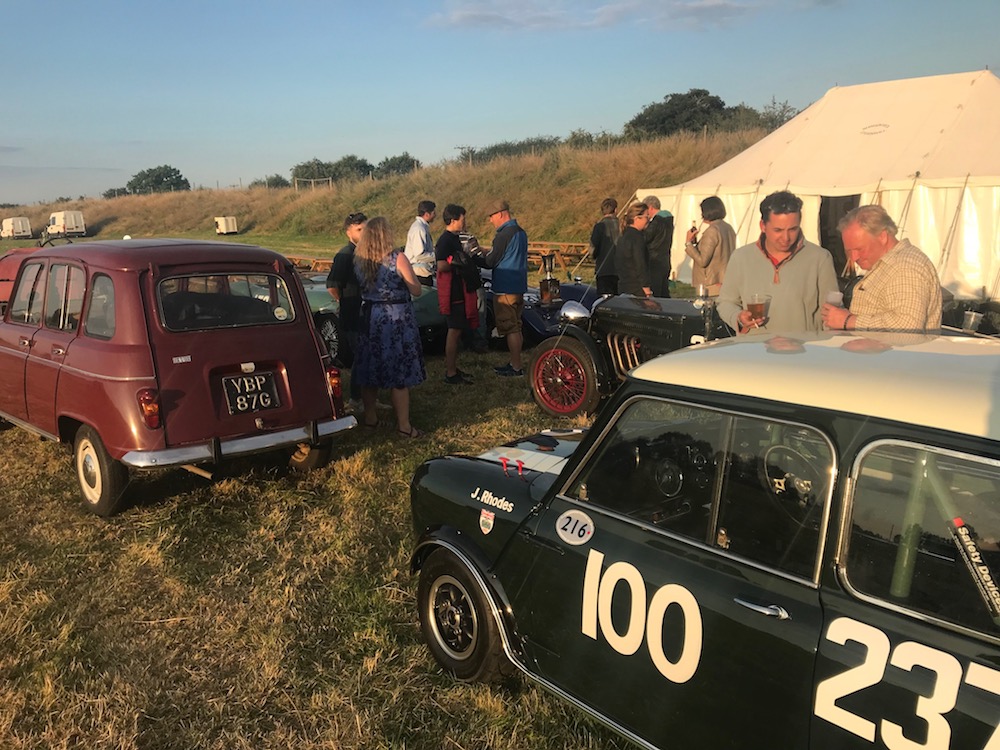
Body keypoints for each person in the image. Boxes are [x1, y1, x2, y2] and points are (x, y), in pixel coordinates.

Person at [717, 190, 838, 335]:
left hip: (804, 352)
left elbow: (833, 311)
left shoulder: (820, 258)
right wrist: (738, 317)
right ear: (763, 226)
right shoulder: (740, 258)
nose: (786, 237)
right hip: (754, 352)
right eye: (778, 230)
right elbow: (725, 302)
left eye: (793, 229)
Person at [352, 217, 426, 438]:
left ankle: (371, 418)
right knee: (399, 373)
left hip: (371, 316)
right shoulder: (397, 258)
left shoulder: (359, 260)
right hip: (395, 318)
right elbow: (416, 290)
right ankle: (404, 425)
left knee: (369, 368)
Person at [821, 205, 942, 333]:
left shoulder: (905, 267)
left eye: (859, 249)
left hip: (898, 352)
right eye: (849, 251)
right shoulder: (888, 265)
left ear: (883, 236)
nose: (854, 257)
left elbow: (909, 324)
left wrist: (848, 321)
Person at [478, 200, 528, 377]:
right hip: (519, 285)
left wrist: (476, 256)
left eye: (492, 216)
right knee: (517, 325)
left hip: (505, 287)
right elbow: (507, 254)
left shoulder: (503, 234)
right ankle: (517, 362)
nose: (491, 221)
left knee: (510, 328)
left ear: (500, 214)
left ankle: (515, 367)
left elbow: (491, 262)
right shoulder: (520, 232)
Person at [326, 211, 367, 411]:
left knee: (368, 355)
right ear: (348, 231)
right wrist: (345, 302)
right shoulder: (344, 255)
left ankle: (368, 397)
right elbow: (332, 286)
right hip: (352, 314)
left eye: (365, 228)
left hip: (365, 313)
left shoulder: (364, 252)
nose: (364, 232)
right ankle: (356, 399)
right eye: (359, 229)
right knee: (360, 357)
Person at [435, 204, 480, 384]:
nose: (465, 222)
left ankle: (453, 368)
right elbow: (441, 265)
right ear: (453, 220)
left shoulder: (454, 239)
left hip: (460, 290)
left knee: (458, 330)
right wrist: (458, 263)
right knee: (454, 331)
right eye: (463, 218)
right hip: (452, 293)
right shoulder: (445, 240)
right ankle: (450, 373)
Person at [683, 196, 736, 296]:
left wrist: (688, 243)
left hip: (711, 284)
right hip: (725, 280)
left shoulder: (712, 231)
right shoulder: (728, 228)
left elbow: (703, 261)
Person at [616, 202, 652, 298]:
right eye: (646, 217)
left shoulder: (623, 235)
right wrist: (645, 286)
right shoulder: (637, 237)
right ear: (637, 218)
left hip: (623, 284)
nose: (648, 220)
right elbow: (640, 263)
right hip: (636, 287)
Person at [643, 195, 674, 297]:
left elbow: (646, 237)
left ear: (650, 207)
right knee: (664, 291)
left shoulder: (656, 222)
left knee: (655, 294)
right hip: (665, 260)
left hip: (654, 261)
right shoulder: (669, 220)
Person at [589, 197, 620, 296]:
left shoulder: (599, 227)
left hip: (603, 269)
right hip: (621, 270)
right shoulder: (622, 225)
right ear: (616, 210)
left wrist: (595, 256)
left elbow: (593, 249)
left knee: (604, 302)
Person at [404, 200, 436, 286]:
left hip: (422, 271)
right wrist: (437, 255)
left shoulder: (421, 227)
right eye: (433, 212)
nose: (435, 215)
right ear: (427, 214)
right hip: (420, 272)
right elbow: (419, 254)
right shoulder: (419, 229)